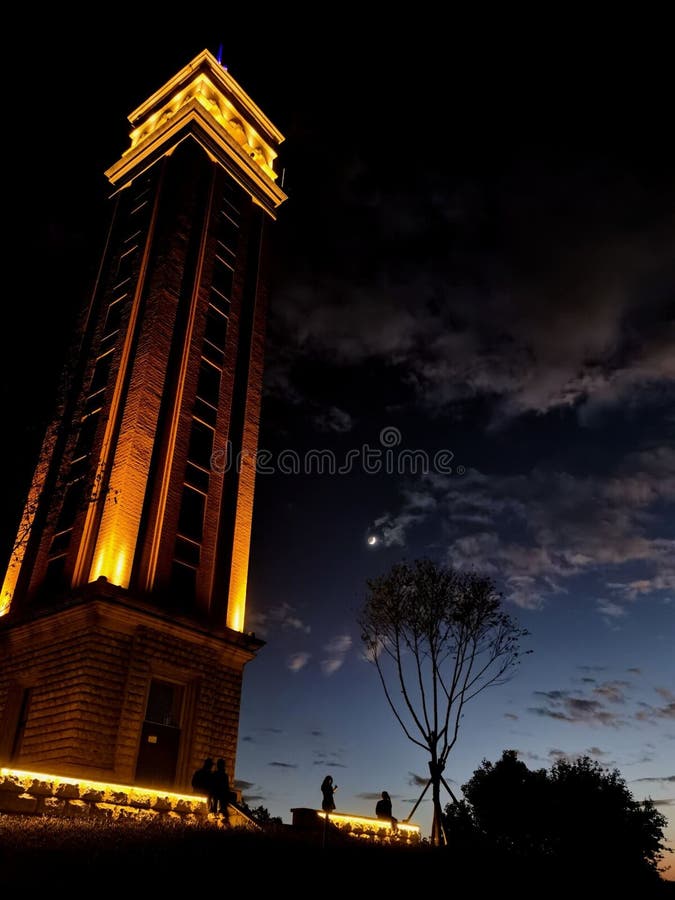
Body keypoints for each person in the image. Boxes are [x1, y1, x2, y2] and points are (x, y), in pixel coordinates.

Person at [211, 757, 232, 824]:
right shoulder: (220, 774)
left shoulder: (222, 775)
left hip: (220, 793)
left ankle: (220, 812)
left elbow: (226, 786)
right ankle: (218, 812)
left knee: (218, 799)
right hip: (218, 793)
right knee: (216, 798)